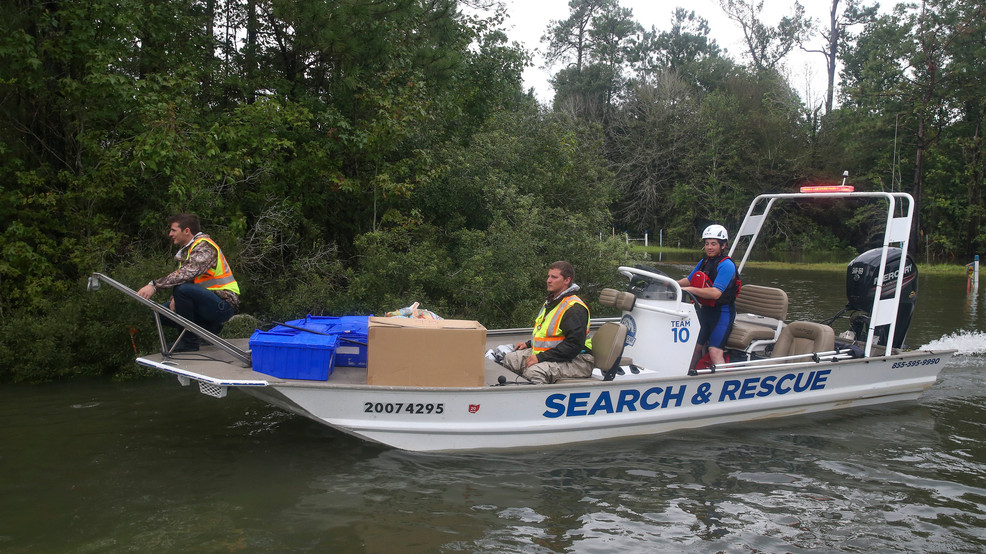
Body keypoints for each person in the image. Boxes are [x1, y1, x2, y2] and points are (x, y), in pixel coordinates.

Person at [137, 214, 240, 352]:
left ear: (186, 231)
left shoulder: (205, 247)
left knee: (182, 290)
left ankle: (189, 342)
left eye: (173, 230)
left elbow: (187, 274)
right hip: (208, 302)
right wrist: (175, 299)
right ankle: (209, 329)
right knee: (161, 313)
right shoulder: (190, 250)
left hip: (223, 304)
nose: (170, 234)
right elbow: (189, 280)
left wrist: (154, 286)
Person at [499, 261, 594, 384]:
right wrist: (528, 344)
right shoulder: (552, 302)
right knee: (511, 359)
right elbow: (550, 335)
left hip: (578, 361)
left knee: (534, 372)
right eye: (548, 276)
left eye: (554, 277)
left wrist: (540, 358)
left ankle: (536, 396)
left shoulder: (574, 308)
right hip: (554, 354)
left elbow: (573, 346)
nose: (548, 280)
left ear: (567, 280)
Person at [677, 224, 739, 368]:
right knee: (694, 348)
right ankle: (687, 375)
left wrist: (689, 289)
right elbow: (688, 280)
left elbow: (716, 293)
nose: (709, 247)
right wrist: (672, 284)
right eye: (707, 244)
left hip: (722, 313)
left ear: (723, 245)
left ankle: (723, 379)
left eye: (713, 244)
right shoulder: (704, 262)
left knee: (714, 352)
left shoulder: (726, 265)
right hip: (705, 311)